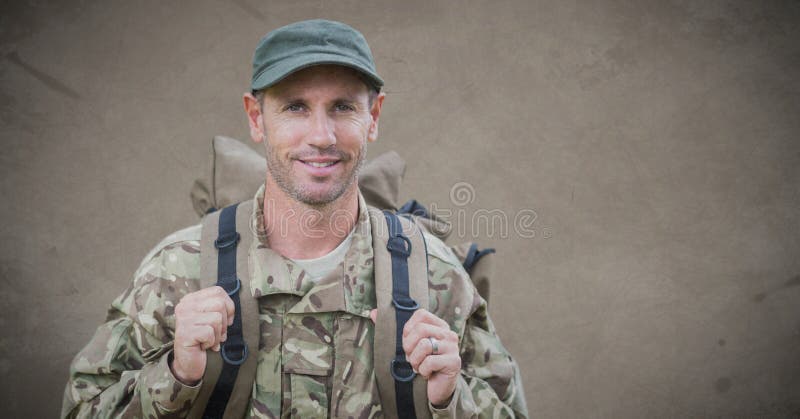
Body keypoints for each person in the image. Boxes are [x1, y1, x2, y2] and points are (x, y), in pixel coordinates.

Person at [62, 19, 528, 418]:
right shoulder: (177, 272)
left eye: (343, 107)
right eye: (295, 107)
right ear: (256, 117)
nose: (321, 135)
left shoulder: (434, 277)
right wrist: (177, 376)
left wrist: (449, 400)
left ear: (374, 116)